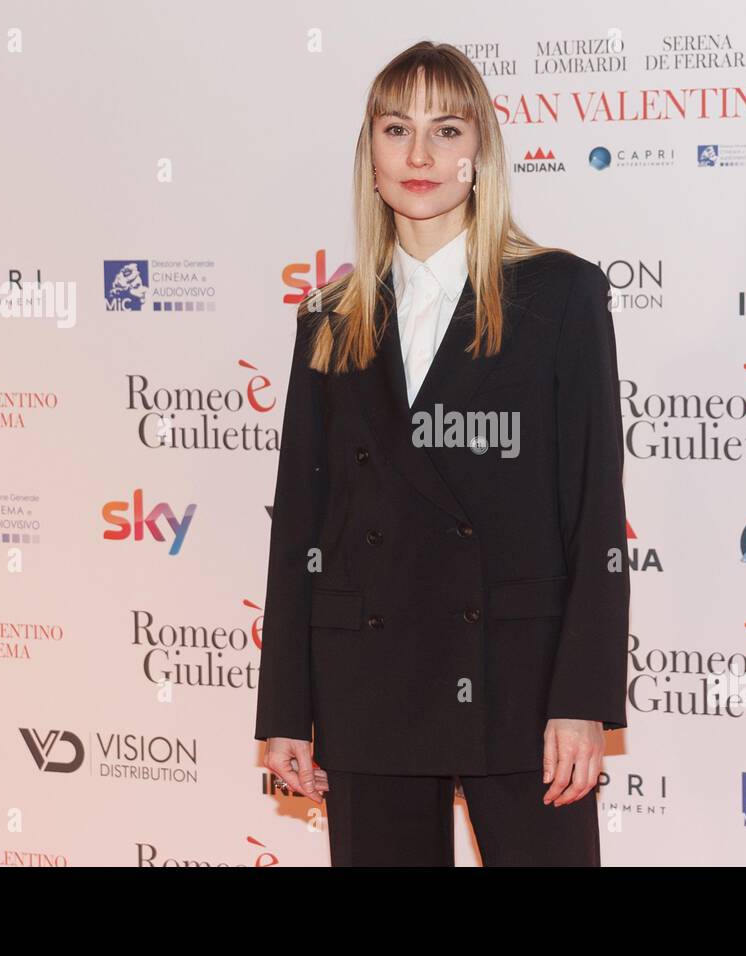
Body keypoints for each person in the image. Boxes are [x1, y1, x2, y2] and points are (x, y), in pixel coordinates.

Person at [254, 40, 630, 866]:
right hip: (368, 682)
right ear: (371, 154)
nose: (420, 155)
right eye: (397, 129)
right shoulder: (329, 317)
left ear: (480, 155)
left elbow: (594, 510)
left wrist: (583, 700)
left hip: (519, 681)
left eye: (447, 130)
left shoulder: (561, 295)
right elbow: (302, 526)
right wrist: (287, 706)